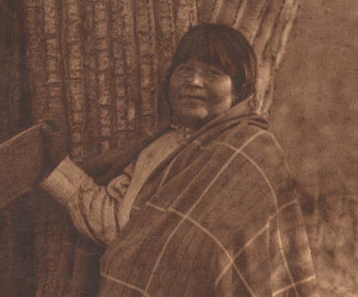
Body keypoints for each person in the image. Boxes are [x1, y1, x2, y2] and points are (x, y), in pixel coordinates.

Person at [39, 24, 316, 297]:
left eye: (213, 73)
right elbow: (118, 226)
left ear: (239, 90)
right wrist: (57, 165)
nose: (194, 81)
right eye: (185, 70)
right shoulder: (158, 148)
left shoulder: (252, 153)